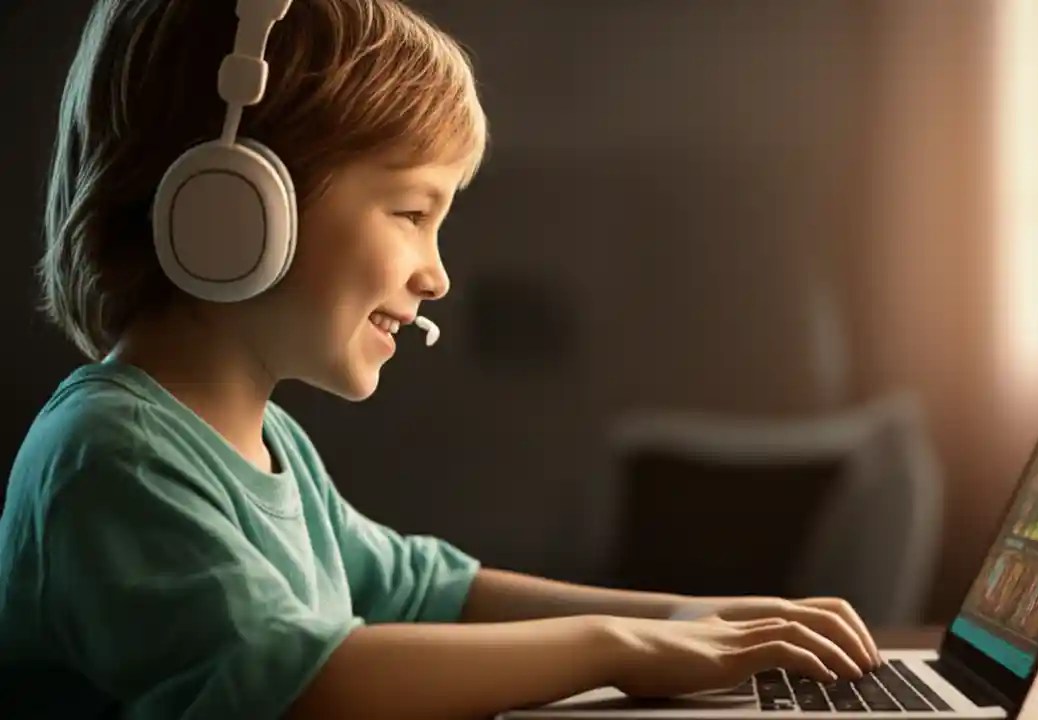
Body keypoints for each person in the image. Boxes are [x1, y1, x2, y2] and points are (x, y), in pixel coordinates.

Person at [0, 1, 882, 717]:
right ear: (236, 206)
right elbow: (302, 684)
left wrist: (693, 619)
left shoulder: (266, 444)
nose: (437, 274)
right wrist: (614, 648)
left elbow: (428, 591)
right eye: (412, 213)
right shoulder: (109, 455)